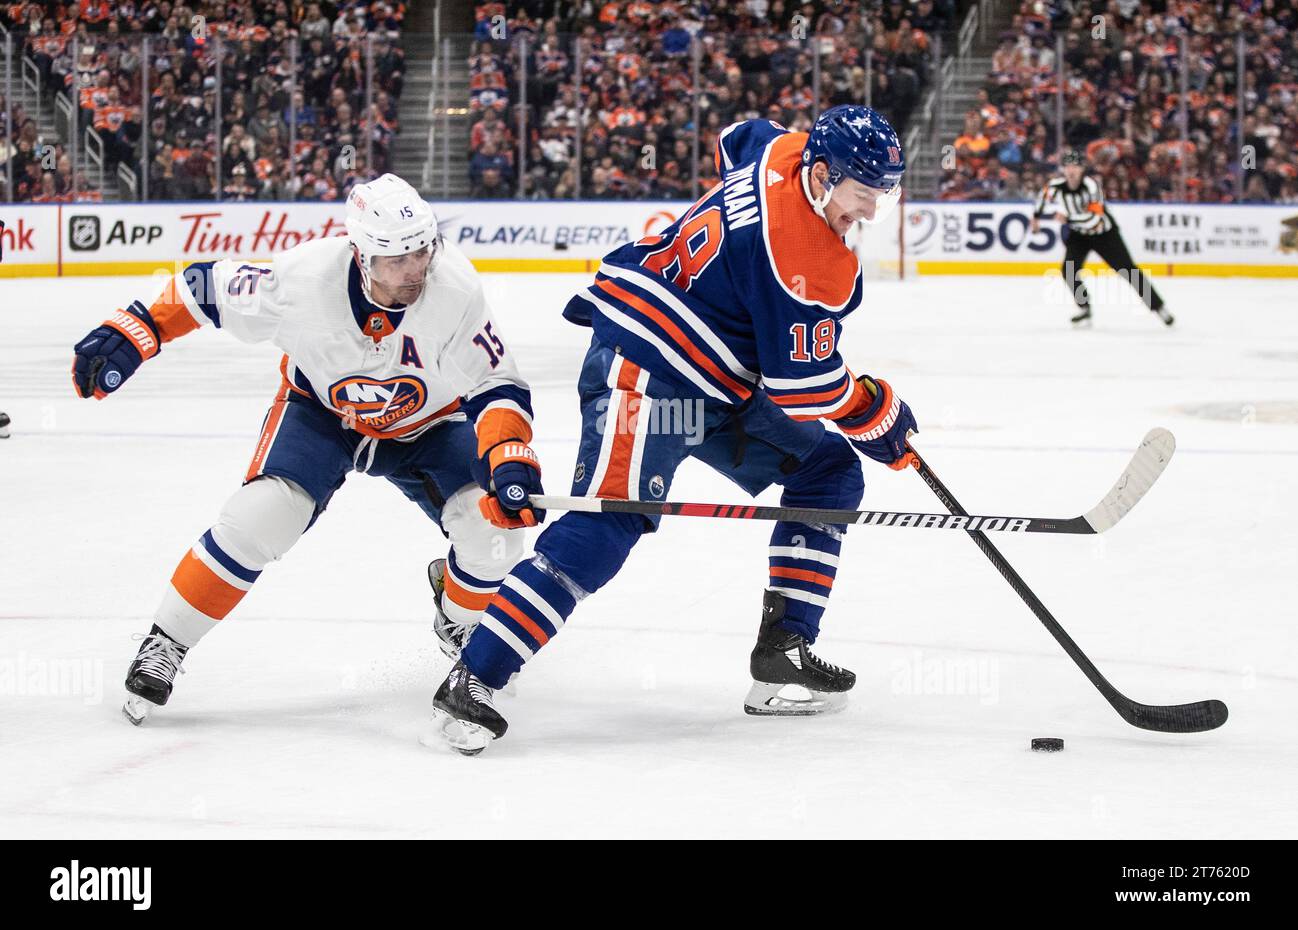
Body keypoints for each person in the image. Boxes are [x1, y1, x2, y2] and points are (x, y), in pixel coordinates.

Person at [428, 106, 918, 755]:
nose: (866, 216)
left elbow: (736, 136)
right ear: (824, 174)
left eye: (880, 201)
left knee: (827, 470)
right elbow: (805, 387)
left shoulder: (781, 149)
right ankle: (473, 678)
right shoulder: (807, 257)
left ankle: (784, 652)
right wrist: (877, 413)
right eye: (861, 199)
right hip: (646, 372)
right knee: (607, 523)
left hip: (716, 384)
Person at [70, 174, 545, 725]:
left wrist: (508, 449)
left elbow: (496, 383)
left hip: (431, 423)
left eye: (422, 250)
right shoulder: (303, 278)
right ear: (361, 255)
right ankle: (167, 642)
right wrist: (139, 329)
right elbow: (205, 287)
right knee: (261, 517)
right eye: (397, 259)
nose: (416, 269)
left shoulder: (455, 287)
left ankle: (457, 614)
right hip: (323, 414)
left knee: (496, 533)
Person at [1032, 150, 1174, 328]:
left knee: (1128, 271)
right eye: (1067, 166)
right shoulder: (1056, 185)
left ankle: (1159, 307)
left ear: (1082, 168)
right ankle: (1084, 307)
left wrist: (1068, 219)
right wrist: (1035, 218)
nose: (1071, 170)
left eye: (1075, 166)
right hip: (1079, 235)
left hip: (1104, 234)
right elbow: (1042, 197)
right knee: (1068, 270)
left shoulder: (1091, 186)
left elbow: (1095, 218)